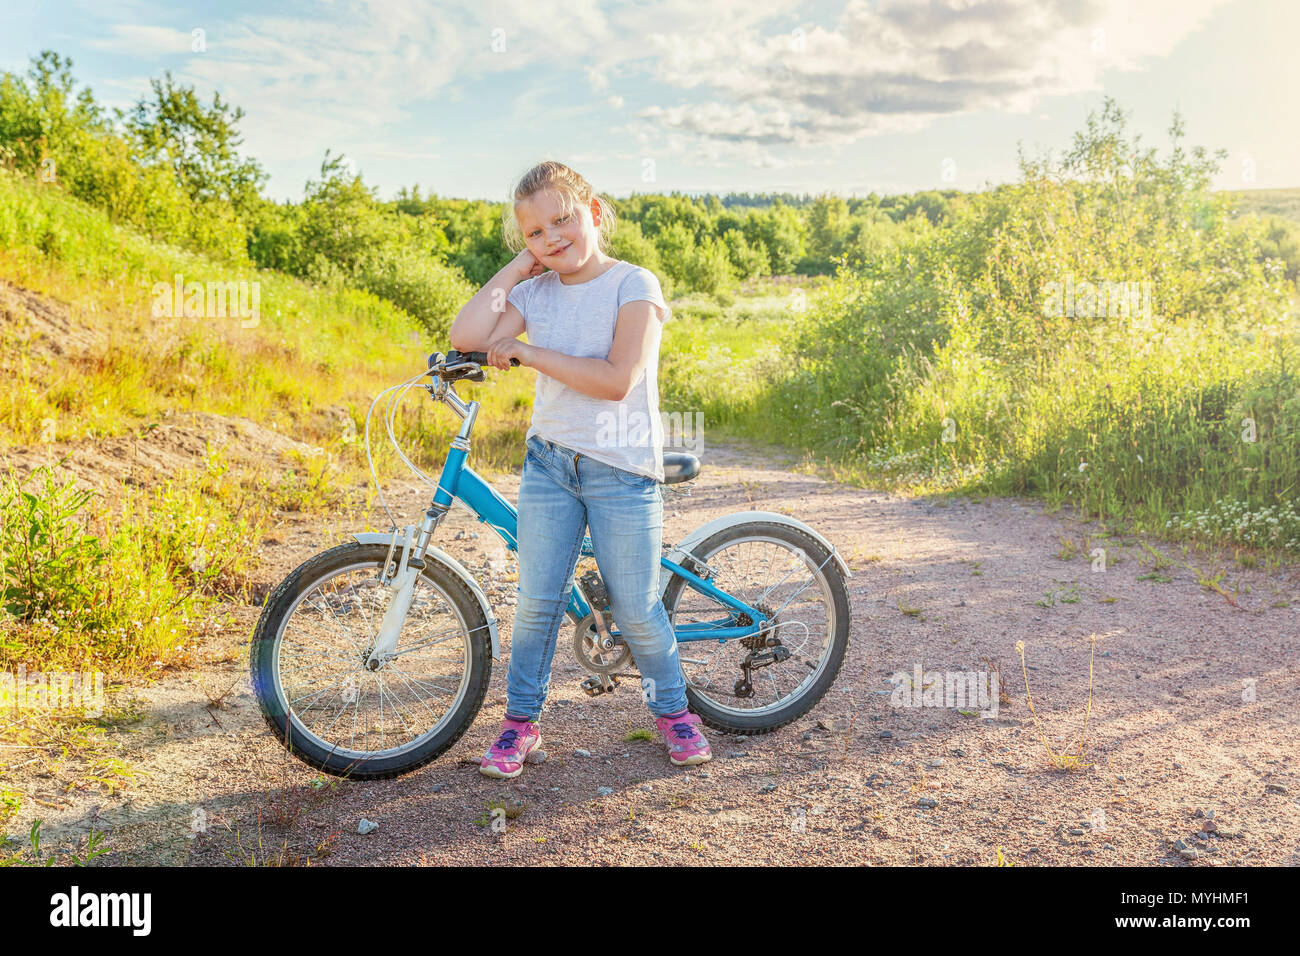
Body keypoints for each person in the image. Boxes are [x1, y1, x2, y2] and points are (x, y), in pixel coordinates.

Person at [448, 160, 711, 779]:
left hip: (621, 469)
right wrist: (517, 271)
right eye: (534, 233)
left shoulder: (633, 285)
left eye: (561, 219)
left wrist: (530, 351)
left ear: (593, 213)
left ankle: (673, 713)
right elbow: (468, 332)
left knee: (637, 606)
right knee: (538, 602)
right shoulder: (535, 292)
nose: (551, 238)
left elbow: (617, 380)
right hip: (549, 466)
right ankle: (519, 724)